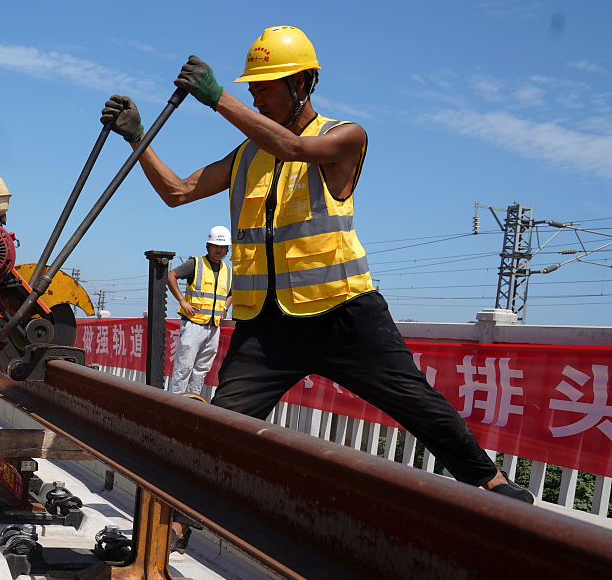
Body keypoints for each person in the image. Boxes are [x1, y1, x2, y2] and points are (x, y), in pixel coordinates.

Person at [100, 25, 533, 503]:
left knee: (417, 403)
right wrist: (137, 137)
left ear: (301, 83)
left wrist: (218, 98)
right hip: (267, 327)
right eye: (250, 89)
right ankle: (183, 523)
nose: (255, 98)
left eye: (264, 88)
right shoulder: (247, 155)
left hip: (344, 315)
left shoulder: (345, 137)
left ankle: (493, 485)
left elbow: (296, 149)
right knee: (222, 430)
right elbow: (177, 192)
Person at [166, 226, 232, 397]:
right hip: (193, 324)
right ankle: (176, 402)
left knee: (202, 369)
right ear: (208, 246)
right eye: (215, 245)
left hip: (213, 327)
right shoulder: (196, 263)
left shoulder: (228, 270)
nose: (219, 250)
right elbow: (171, 275)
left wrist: (225, 308)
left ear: (227, 249)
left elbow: (232, 293)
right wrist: (182, 301)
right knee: (184, 367)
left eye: (222, 247)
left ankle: (193, 401)